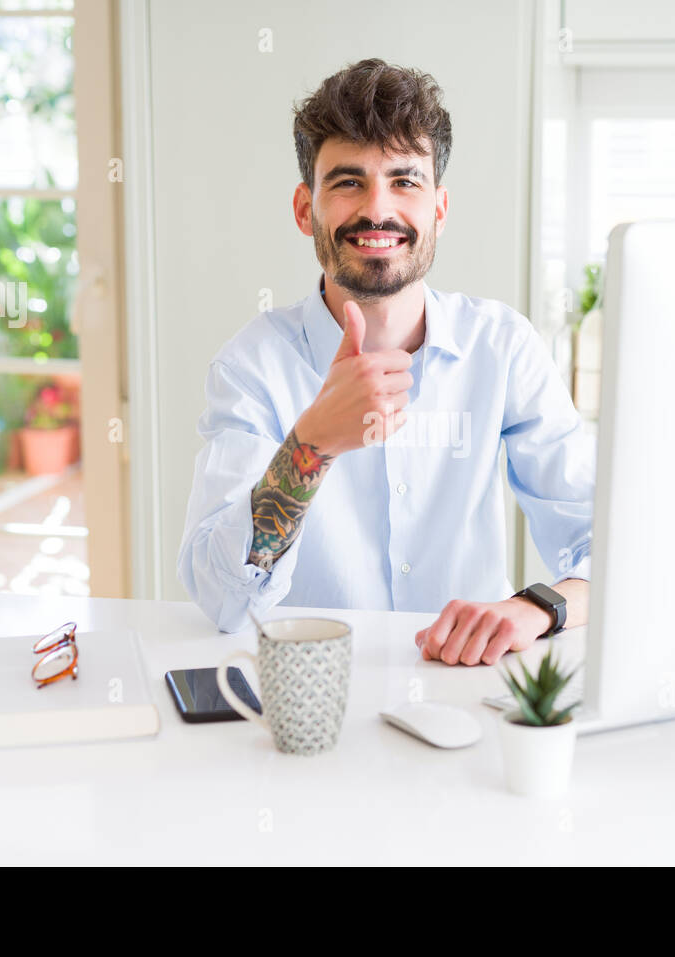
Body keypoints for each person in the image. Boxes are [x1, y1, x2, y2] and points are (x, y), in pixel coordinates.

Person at [177, 58, 594, 666]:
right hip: (314, 692)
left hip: (467, 687)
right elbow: (223, 600)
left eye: (405, 181)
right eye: (348, 182)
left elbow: (605, 549)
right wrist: (312, 444)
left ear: (439, 210)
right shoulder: (251, 366)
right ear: (305, 209)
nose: (378, 209)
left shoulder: (503, 346)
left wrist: (533, 608)